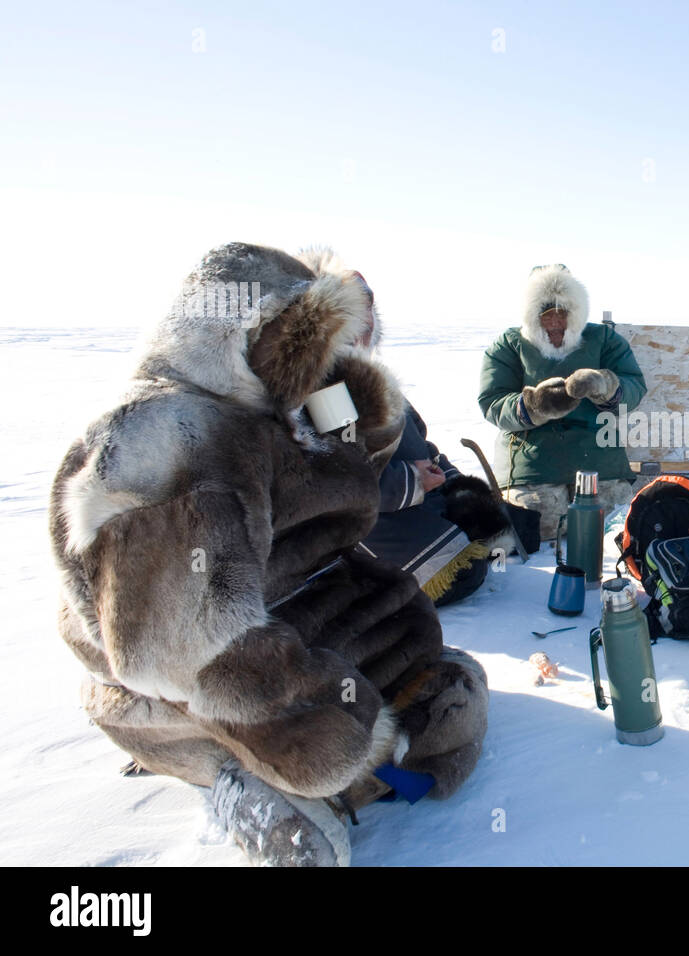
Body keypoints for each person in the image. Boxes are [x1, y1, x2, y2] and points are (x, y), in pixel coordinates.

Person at [50, 243, 489, 865]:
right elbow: (186, 649)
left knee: (443, 709)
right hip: (175, 674)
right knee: (363, 746)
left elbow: (347, 502)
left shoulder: (271, 411)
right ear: (247, 333)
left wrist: (359, 414)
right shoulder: (163, 439)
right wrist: (332, 732)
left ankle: (312, 763)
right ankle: (233, 776)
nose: (317, 363)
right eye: (309, 343)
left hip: (285, 614)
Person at [335, 264, 511, 606]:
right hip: (366, 520)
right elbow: (342, 477)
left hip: (409, 500)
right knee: (464, 571)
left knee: (488, 531)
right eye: (352, 312)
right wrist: (413, 480)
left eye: (368, 310)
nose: (364, 322)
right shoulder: (327, 392)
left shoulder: (373, 379)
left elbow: (420, 440)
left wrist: (452, 482)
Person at [478, 263, 646, 539]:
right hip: (532, 460)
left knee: (614, 528)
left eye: (562, 313)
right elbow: (493, 401)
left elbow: (634, 385)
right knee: (539, 528)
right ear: (531, 316)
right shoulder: (508, 345)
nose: (555, 323)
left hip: (598, 457)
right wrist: (534, 406)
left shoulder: (603, 339)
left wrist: (605, 385)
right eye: (546, 315)